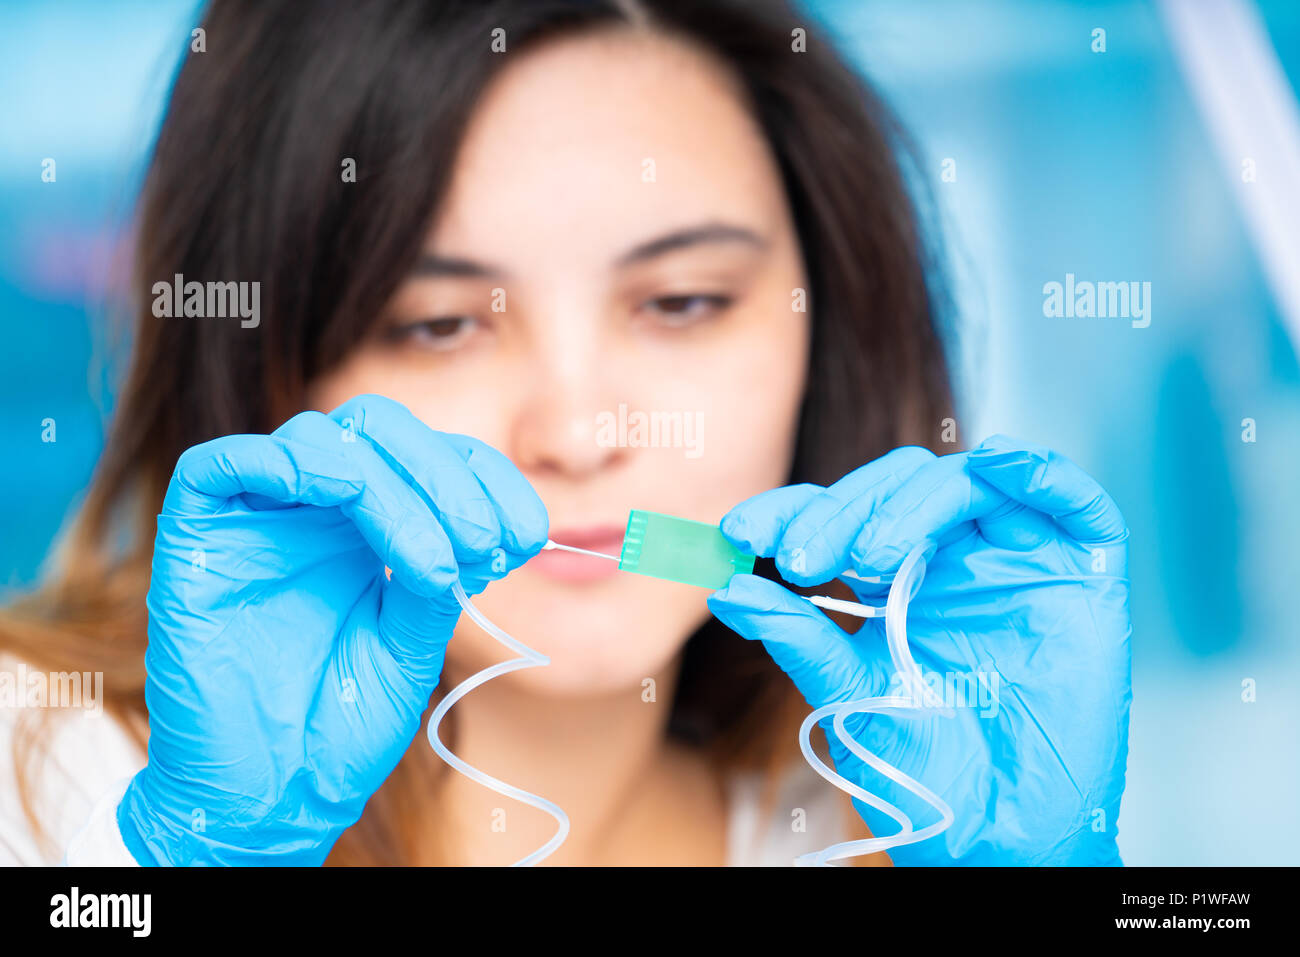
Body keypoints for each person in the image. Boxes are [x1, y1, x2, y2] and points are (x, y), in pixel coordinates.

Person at [0, 0, 1131, 867]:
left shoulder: (873, 829)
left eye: (682, 302)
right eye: (438, 325)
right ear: (266, 374)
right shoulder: (40, 769)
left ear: (823, 328)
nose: (581, 435)